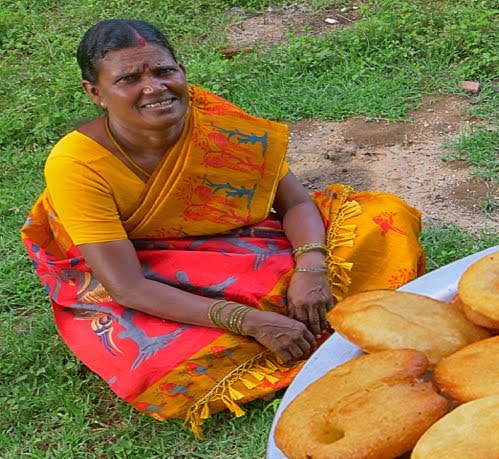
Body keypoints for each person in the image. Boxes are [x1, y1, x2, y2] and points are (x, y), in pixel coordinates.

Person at [20, 19, 425, 436]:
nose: (154, 88)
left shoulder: (211, 118)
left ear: (181, 70)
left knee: (385, 220)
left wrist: (311, 268)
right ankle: (297, 323)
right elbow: (126, 287)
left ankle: (298, 318)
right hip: (140, 266)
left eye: (164, 71)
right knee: (158, 363)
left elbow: (297, 203)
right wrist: (247, 321)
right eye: (129, 78)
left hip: (240, 239)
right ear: (95, 93)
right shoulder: (76, 164)